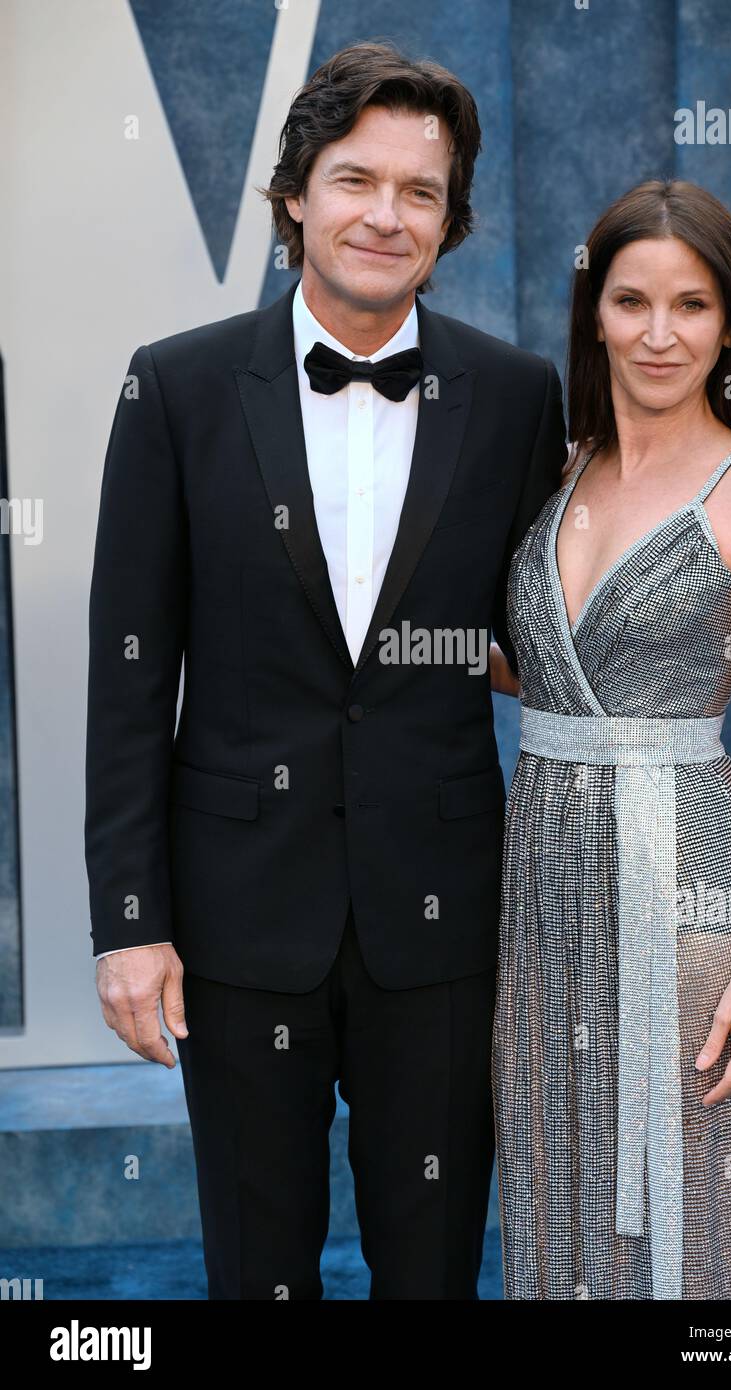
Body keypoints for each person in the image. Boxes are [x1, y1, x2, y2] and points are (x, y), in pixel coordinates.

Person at [84, 41, 566, 1299]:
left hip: (444, 915)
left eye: (420, 191)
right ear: (295, 189)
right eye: (356, 179)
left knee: (432, 1266)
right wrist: (129, 923)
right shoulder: (176, 386)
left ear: (450, 219)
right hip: (239, 916)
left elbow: (531, 635)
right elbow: (129, 676)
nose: (385, 215)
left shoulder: (517, 396)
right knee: (258, 1271)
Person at [491, 178, 731, 1300]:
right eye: (630, 301)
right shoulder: (560, 474)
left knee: (697, 1211)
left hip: (687, 890)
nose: (655, 333)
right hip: (540, 897)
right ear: (592, 312)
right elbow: (552, 670)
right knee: (559, 1185)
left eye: (688, 306)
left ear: (727, 323)